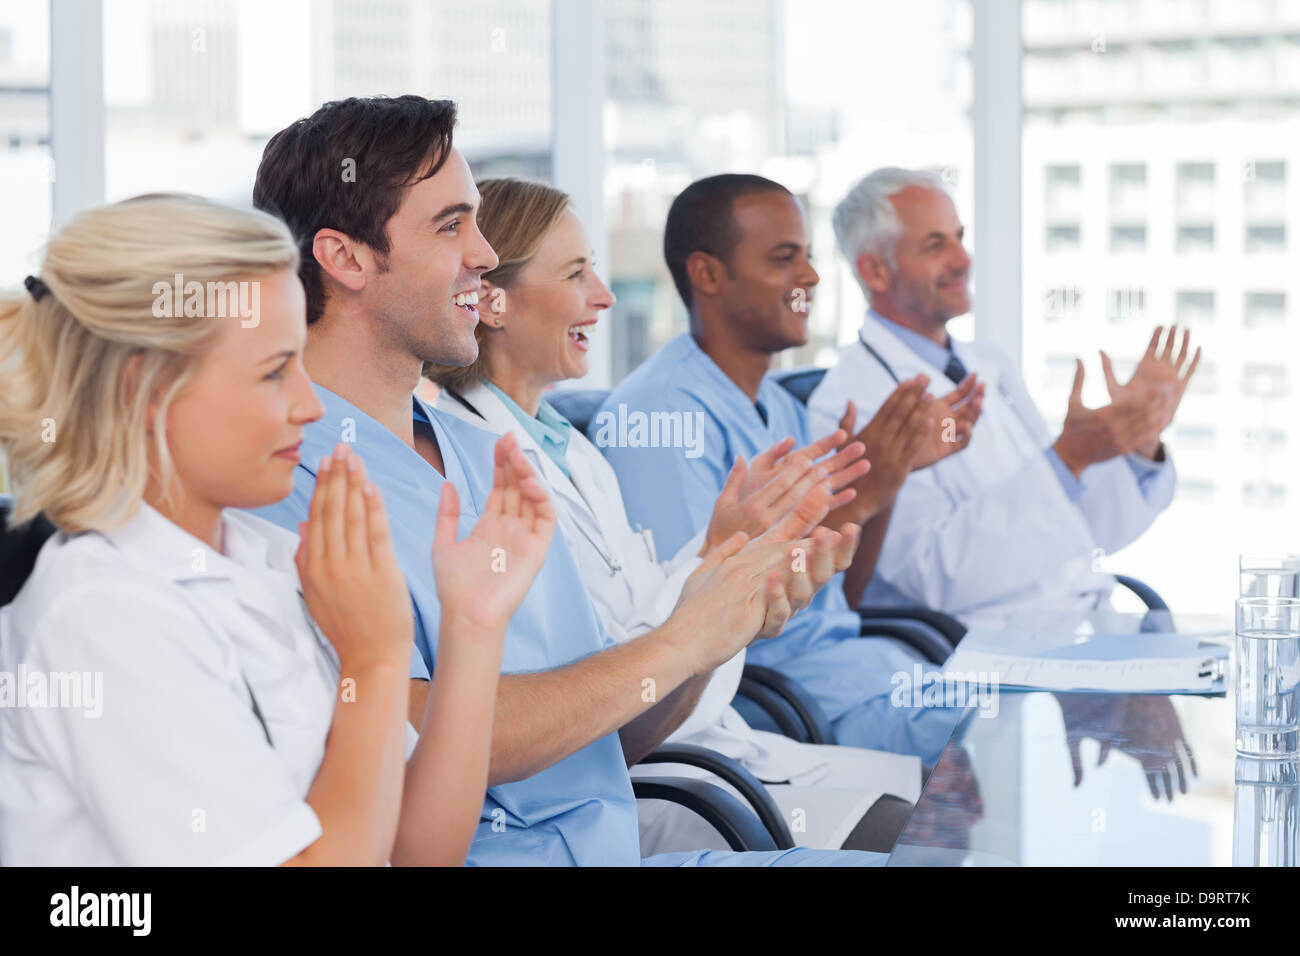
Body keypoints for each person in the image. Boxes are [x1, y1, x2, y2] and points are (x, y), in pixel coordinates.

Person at [251, 94, 877, 865]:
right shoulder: (280, 485)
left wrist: (716, 628)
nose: (484, 255)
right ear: (345, 259)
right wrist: (677, 641)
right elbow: (412, 744)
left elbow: (610, 735)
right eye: (451, 226)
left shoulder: (492, 459)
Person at [0, 194, 544, 866]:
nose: (309, 406)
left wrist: (472, 625)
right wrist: (375, 662)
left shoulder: (272, 559)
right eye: (274, 372)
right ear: (146, 391)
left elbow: (420, 850)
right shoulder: (101, 615)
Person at [428, 176, 925, 853]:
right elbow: (607, 680)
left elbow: (649, 634)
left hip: (701, 749)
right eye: (575, 274)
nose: (604, 297)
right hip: (640, 781)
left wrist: (729, 552)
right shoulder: (468, 466)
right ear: (492, 301)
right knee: (922, 825)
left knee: (940, 809)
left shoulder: (572, 450)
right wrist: (725, 564)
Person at [600, 174, 982, 764]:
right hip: (783, 703)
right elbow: (700, 615)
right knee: (1008, 739)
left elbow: (841, 592)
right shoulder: (659, 415)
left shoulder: (780, 405)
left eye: (808, 255)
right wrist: (864, 490)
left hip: (864, 674)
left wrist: (887, 479)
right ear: (708, 275)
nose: (811, 276)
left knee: (1025, 707)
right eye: (784, 258)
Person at [809, 167, 1199, 628]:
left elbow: (1079, 527)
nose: (963, 259)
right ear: (874, 270)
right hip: (984, 645)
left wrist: (1135, 443)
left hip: (1083, 624)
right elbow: (932, 574)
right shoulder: (850, 403)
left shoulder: (989, 364)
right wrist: (1067, 460)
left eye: (959, 238)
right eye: (935, 245)